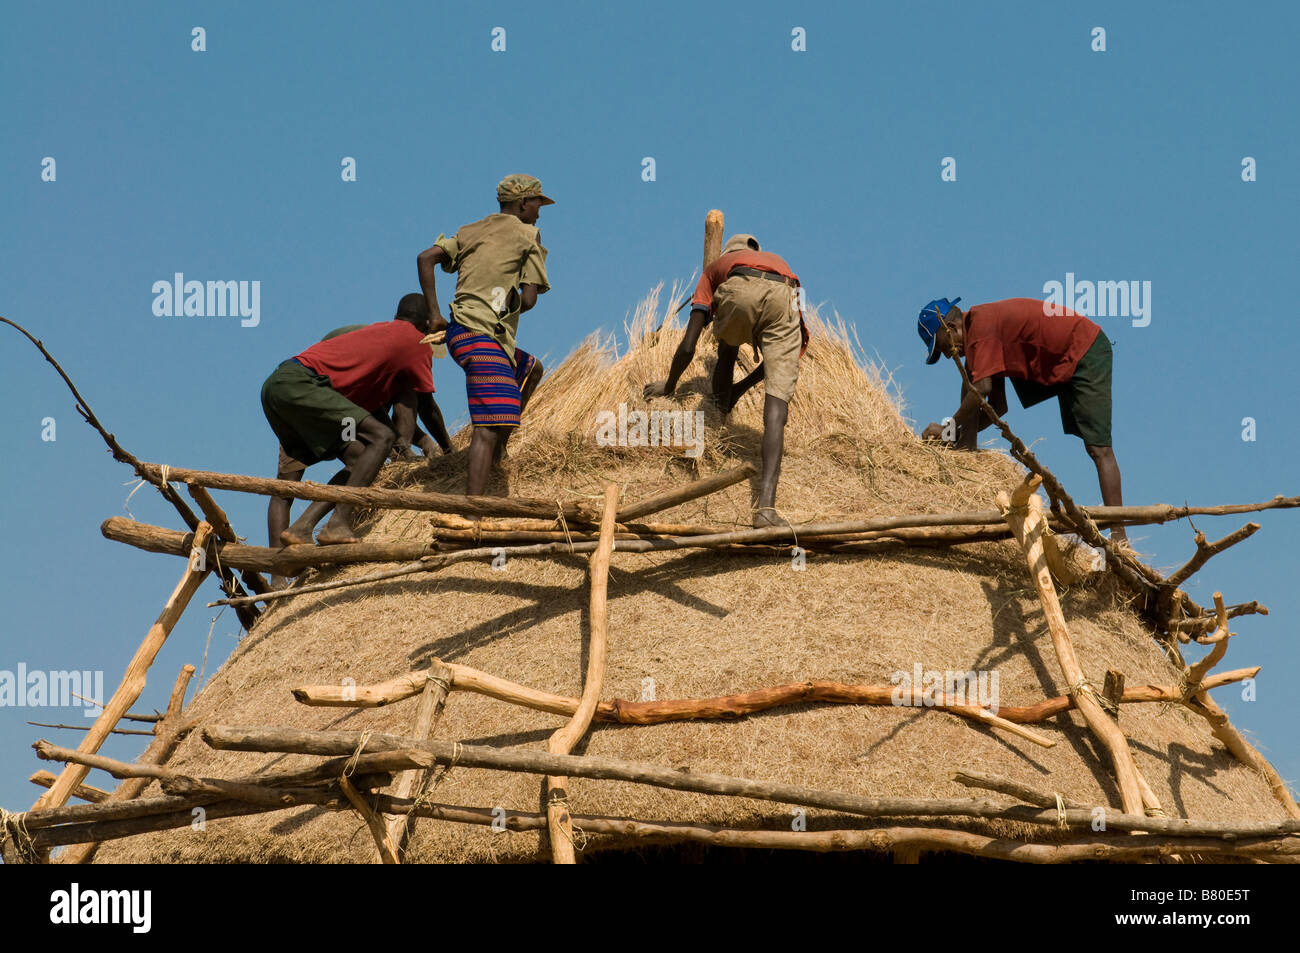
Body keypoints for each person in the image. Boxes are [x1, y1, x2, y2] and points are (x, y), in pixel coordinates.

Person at [917, 296, 1127, 543]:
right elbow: (997, 406)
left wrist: (947, 429)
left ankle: (1119, 536)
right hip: (1053, 355)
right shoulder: (983, 333)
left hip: (1084, 349)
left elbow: (982, 389)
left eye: (943, 347)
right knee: (971, 380)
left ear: (951, 328)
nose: (949, 355)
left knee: (1099, 448)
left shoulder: (982, 329)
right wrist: (957, 435)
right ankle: (965, 449)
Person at [260, 294, 451, 549]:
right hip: (304, 386)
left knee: (358, 457)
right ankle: (337, 523)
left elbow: (376, 410)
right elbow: (426, 407)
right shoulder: (416, 342)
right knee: (381, 437)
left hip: (280, 387)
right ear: (427, 323)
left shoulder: (378, 334)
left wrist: (406, 447)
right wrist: (449, 450)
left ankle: (299, 533)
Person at [643, 233, 808, 528]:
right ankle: (766, 509)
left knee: (728, 343)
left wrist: (668, 387)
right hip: (788, 293)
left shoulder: (715, 269)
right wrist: (741, 389)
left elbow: (688, 345)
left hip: (740, 289)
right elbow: (789, 355)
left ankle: (721, 400)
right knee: (777, 408)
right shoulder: (778, 262)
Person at [417, 174, 552, 496]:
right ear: (522, 203)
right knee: (487, 426)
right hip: (481, 337)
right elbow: (530, 300)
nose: (539, 211)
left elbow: (426, 258)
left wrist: (436, 314)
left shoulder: (470, 230)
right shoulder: (527, 234)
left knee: (531, 369)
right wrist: (513, 297)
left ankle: (498, 450)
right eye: (537, 204)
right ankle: (473, 509)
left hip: (460, 332)